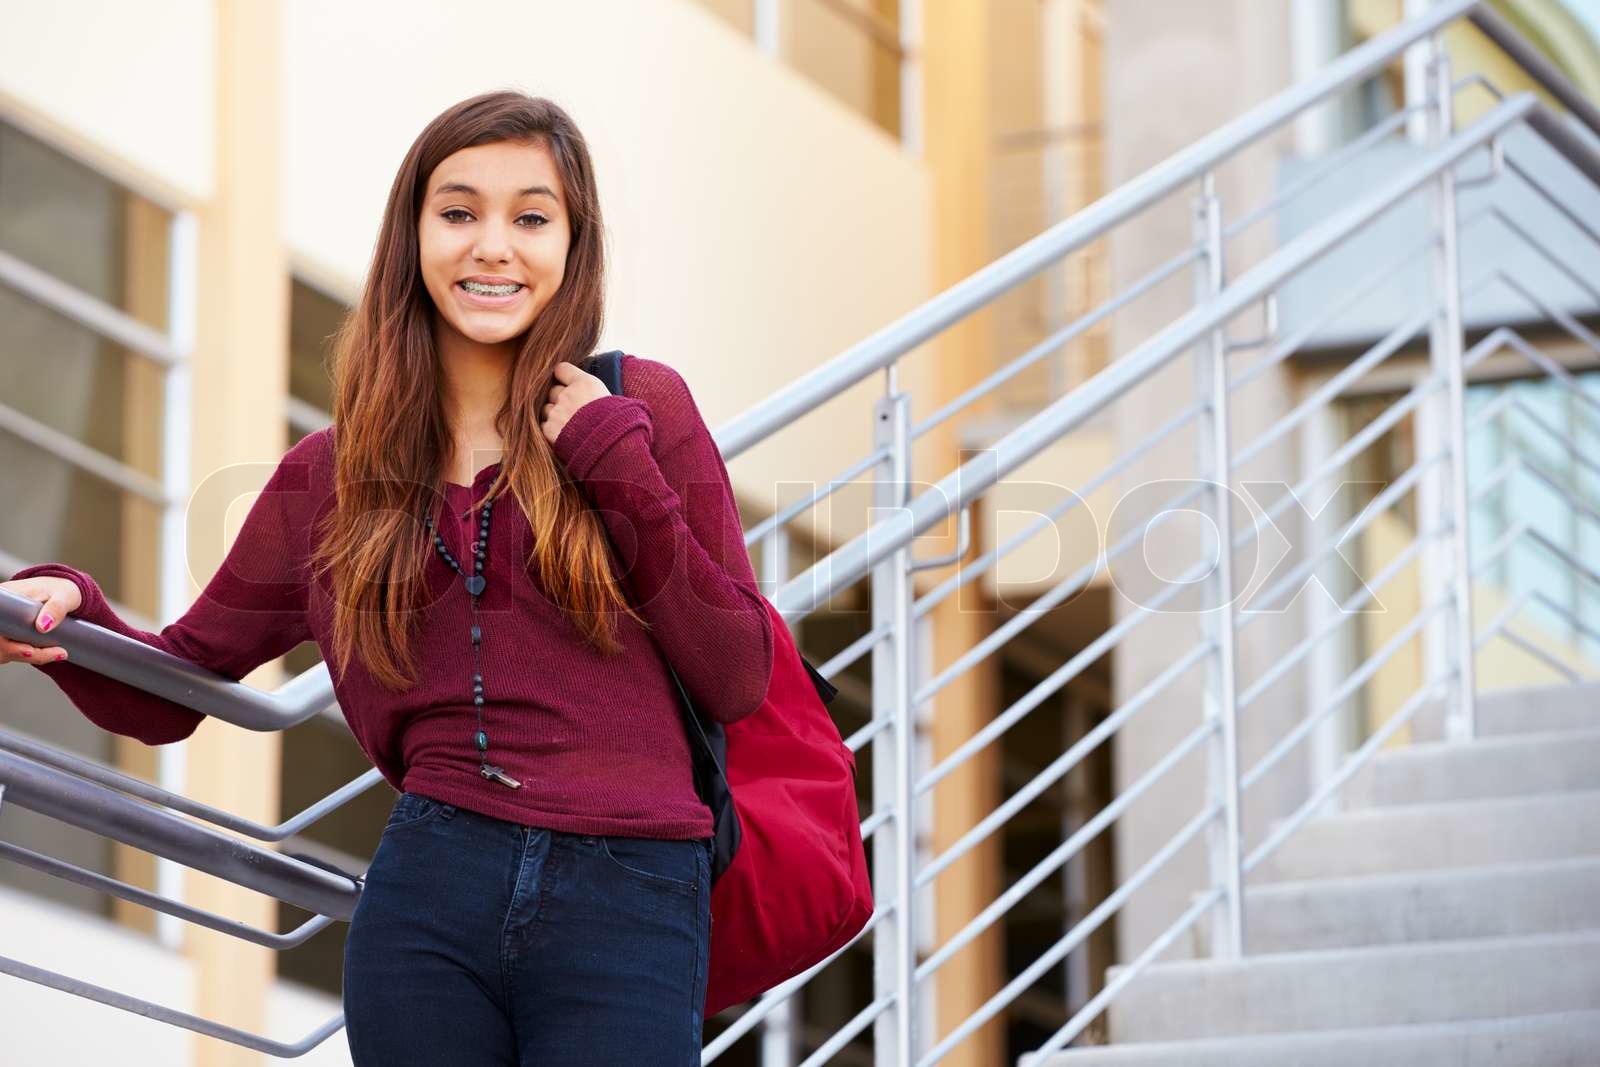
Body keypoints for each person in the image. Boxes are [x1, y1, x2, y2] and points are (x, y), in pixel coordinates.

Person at [0, 89, 774, 1065]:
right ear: (412, 239)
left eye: (531, 217)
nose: (493, 244)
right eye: (458, 212)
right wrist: (68, 611)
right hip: (431, 891)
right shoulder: (328, 478)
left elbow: (739, 669)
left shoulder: (639, 407)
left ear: (573, 249)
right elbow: (181, 679)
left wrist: (609, 457)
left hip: (629, 888)